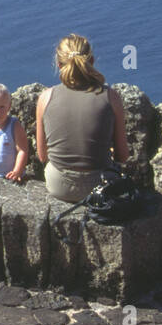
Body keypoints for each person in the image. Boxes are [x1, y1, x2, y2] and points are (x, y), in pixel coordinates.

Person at [35, 34, 129, 202]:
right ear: (91, 61)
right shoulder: (111, 97)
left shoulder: (45, 98)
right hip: (100, 185)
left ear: (58, 64)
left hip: (58, 185)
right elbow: (122, 156)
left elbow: (42, 156)